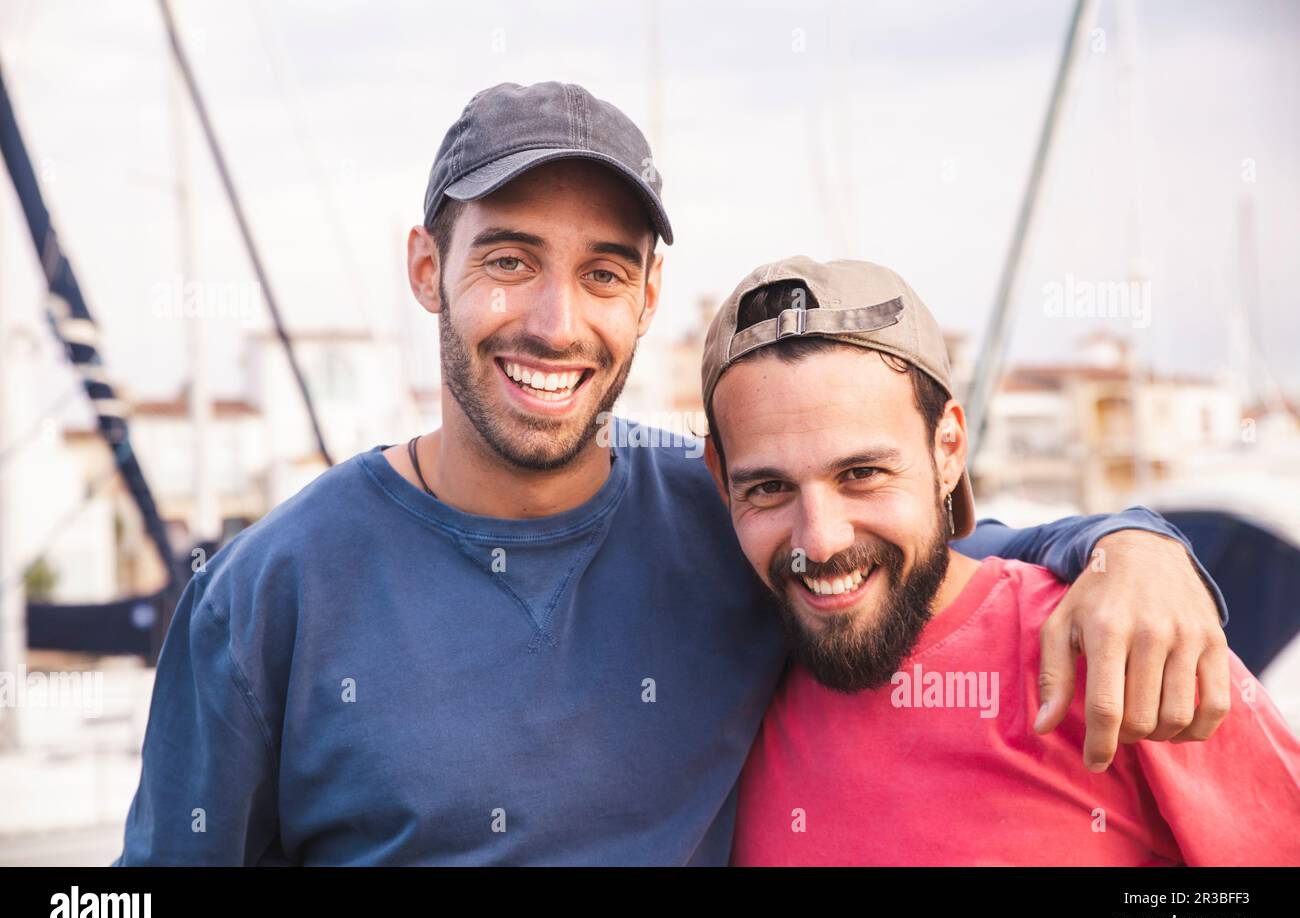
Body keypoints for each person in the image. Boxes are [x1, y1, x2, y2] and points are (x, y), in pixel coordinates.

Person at [116, 83, 1231, 865]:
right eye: (507, 259)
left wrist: (1132, 542)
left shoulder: (729, 513)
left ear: (646, 301)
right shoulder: (266, 592)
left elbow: (920, 555)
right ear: (427, 268)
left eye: (603, 272)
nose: (554, 322)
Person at [697, 256, 1300, 865]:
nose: (820, 542)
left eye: (862, 474)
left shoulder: (1118, 643)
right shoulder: (730, 675)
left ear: (948, 451)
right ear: (722, 482)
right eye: (769, 488)